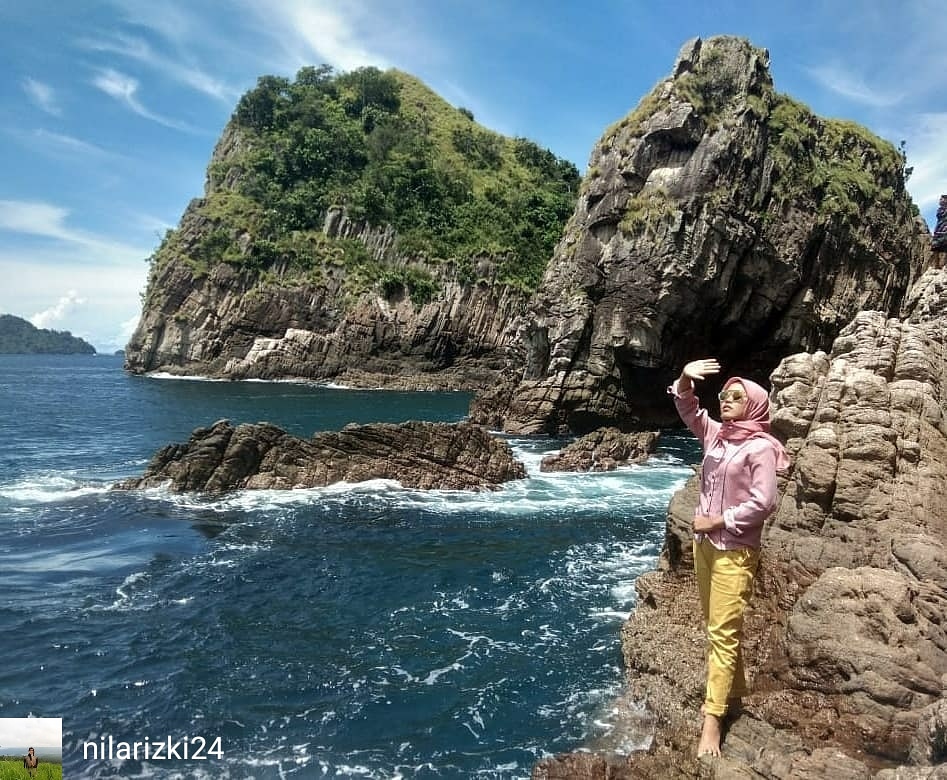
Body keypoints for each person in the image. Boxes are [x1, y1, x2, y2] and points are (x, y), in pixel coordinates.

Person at [668, 357, 790, 758]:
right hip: (706, 549)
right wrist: (685, 378)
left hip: (735, 551)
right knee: (718, 627)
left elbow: (764, 502)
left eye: (735, 396)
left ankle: (712, 721)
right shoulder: (717, 437)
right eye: (723, 395)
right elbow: (688, 408)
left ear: (753, 403)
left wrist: (718, 519)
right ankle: (735, 693)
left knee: (722, 633)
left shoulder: (761, 448)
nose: (726, 400)